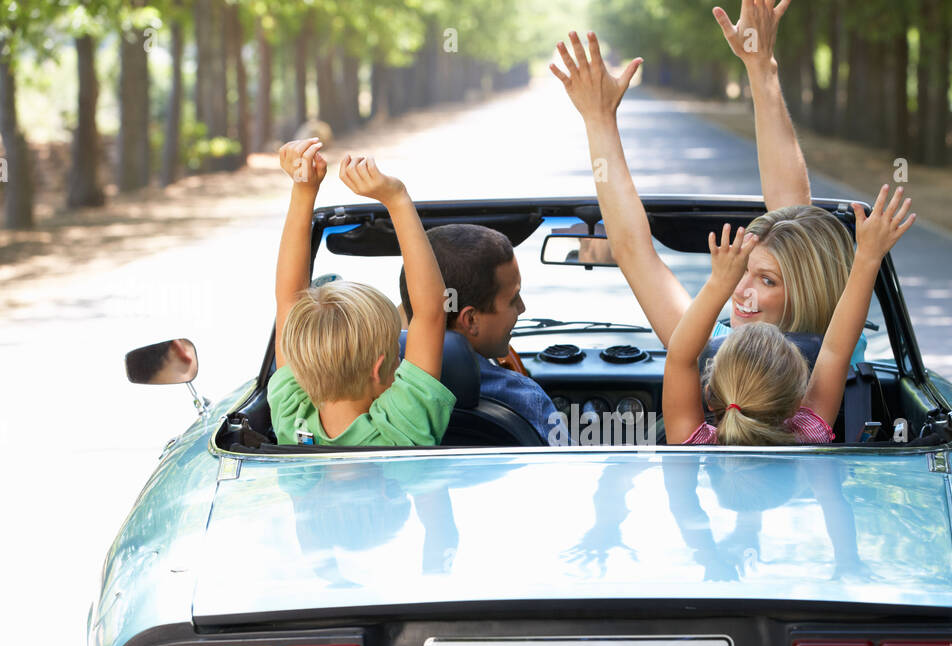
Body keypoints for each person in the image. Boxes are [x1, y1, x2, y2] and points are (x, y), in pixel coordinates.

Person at [550, 6, 868, 364]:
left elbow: (634, 251)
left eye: (767, 281)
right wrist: (760, 66)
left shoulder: (704, 350)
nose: (741, 291)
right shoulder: (835, 352)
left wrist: (599, 121)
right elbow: (794, 216)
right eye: (742, 270)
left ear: (809, 290)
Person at [664, 185, 915, 446]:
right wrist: (868, 257)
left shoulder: (693, 444)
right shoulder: (808, 436)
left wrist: (719, 283)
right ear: (796, 399)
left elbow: (680, 356)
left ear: (708, 394)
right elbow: (834, 351)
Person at [268, 138, 454, 447]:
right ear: (378, 368)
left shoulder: (292, 419)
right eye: (398, 354)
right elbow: (430, 312)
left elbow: (288, 298)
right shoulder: (402, 428)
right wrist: (396, 199)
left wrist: (303, 189)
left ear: (300, 364)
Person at [397, 223, 559, 444]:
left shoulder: (375, 394)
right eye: (513, 299)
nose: (522, 308)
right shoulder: (526, 399)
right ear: (471, 320)